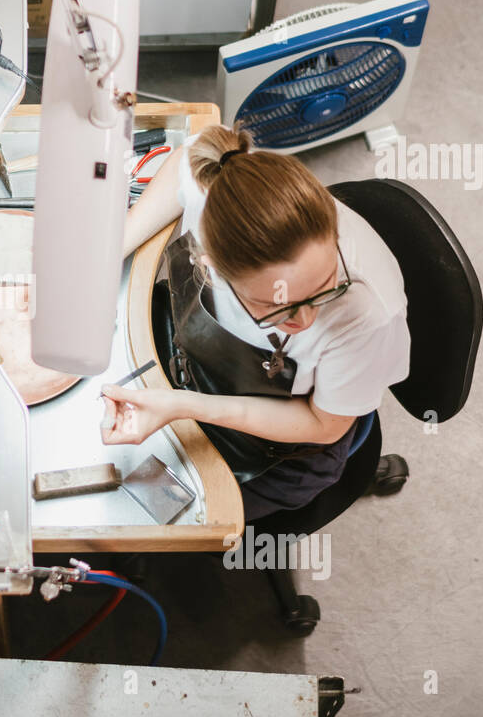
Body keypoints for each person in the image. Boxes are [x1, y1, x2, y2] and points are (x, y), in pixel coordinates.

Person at [101, 124, 410, 520]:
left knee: (148, 518)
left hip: (282, 443)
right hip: (192, 360)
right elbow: (187, 160)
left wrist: (183, 406)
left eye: (324, 289)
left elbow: (323, 423)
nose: (305, 319)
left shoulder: (369, 315)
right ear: (209, 266)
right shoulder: (223, 179)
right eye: (278, 307)